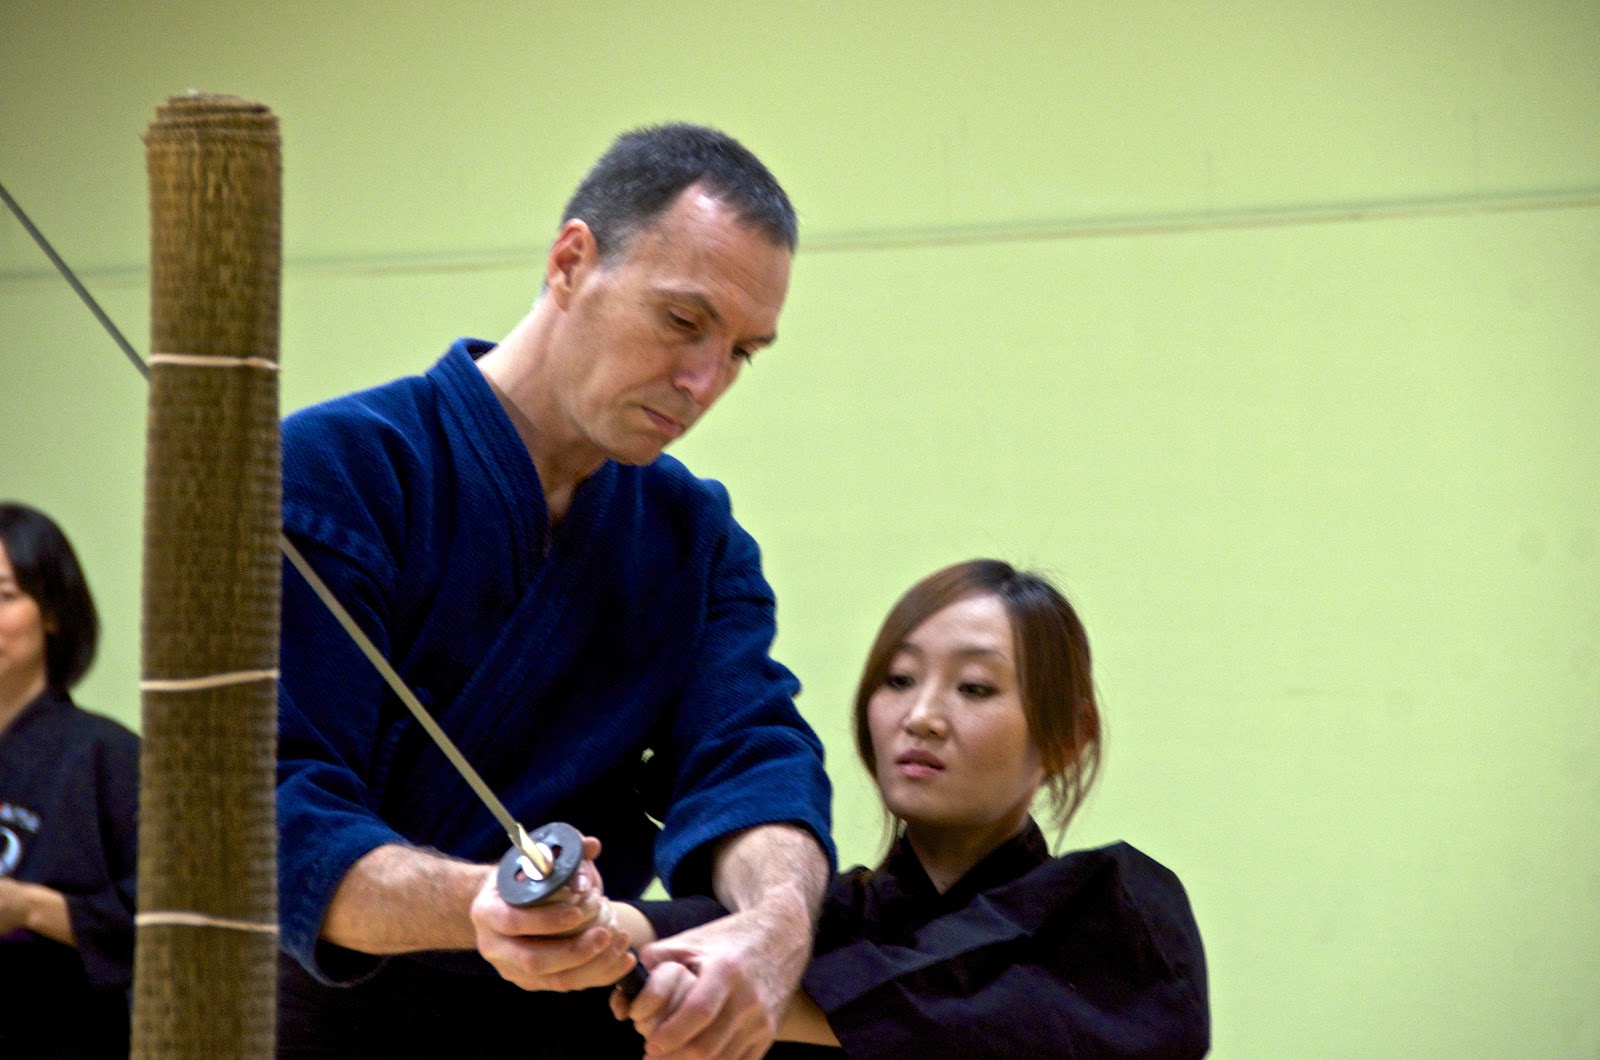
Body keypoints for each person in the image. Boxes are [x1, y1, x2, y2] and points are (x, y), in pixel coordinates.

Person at [275, 124, 833, 1056]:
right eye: (684, 321)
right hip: (338, 1027)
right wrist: (484, 901)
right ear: (572, 262)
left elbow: (753, 754)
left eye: (743, 352)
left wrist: (776, 930)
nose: (704, 382)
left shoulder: (695, 538)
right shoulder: (341, 470)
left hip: (580, 1028)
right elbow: (272, 809)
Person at [614, 560, 1211, 1058]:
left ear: (1068, 736)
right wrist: (581, 920)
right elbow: (676, 935)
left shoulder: (1118, 915)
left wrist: (743, 985)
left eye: (975, 687)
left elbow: (967, 1025)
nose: (920, 715)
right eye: (898, 680)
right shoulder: (824, 919)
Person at [0, 503, 140, 1058]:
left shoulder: (108, 756)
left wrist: (28, 907)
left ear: (53, 613)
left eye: (5, 596)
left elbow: (168, 924)